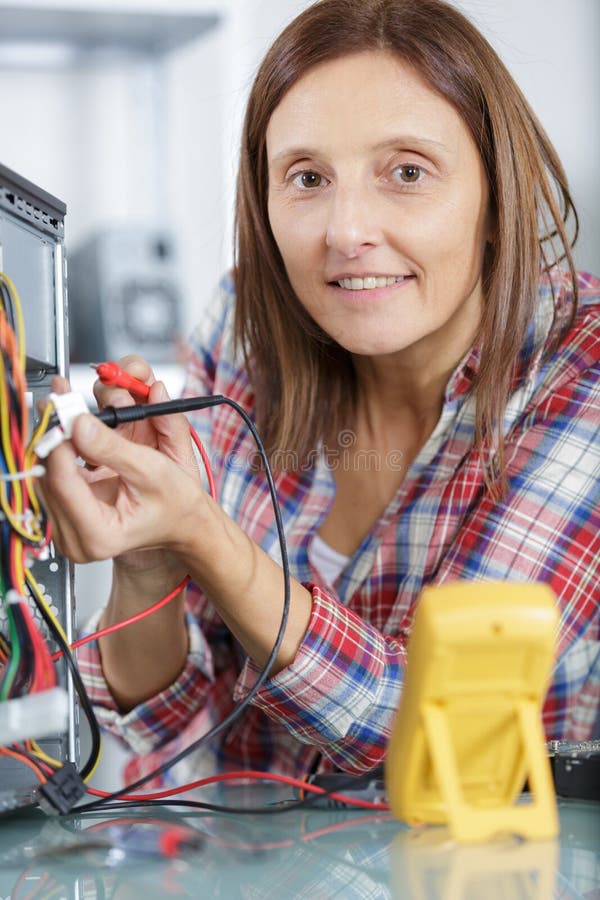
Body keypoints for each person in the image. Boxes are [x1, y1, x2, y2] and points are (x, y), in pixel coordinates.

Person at [41, 0, 599, 788]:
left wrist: (205, 535)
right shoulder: (246, 326)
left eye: (406, 172)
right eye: (307, 177)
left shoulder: (585, 371)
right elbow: (163, 722)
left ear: (497, 199)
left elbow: (434, 731)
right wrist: (149, 562)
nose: (346, 230)